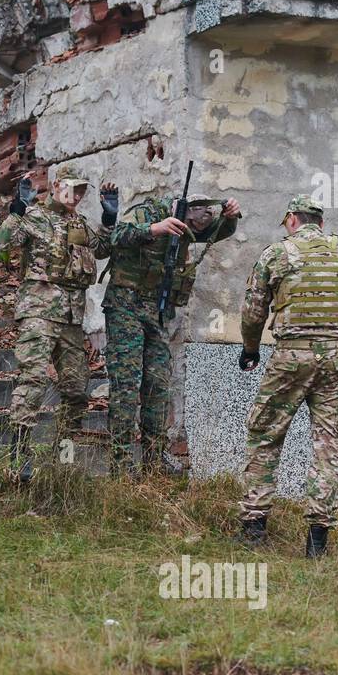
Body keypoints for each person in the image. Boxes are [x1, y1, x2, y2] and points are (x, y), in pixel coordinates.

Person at [236, 196, 338, 557]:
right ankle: (317, 541)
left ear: (291, 220)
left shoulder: (275, 253)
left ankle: (254, 527)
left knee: (265, 433)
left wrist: (251, 349)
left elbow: (253, 312)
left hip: (291, 356)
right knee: (328, 444)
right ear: (320, 220)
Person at [95, 181, 241, 477]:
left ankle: (154, 460)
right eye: (189, 223)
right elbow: (116, 238)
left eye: (194, 227)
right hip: (125, 307)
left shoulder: (190, 227)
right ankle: (121, 465)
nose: (191, 230)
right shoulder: (146, 213)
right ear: (183, 210)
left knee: (158, 385)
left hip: (157, 313)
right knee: (126, 385)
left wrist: (231, 216)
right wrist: (155, 229)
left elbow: (218, 233)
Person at [0, 166, 106, 481]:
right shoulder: (35, 216)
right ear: (56, 186)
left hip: (71, 319)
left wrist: (110, 216)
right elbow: (1, 244)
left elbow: (105, 247)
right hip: (39, 312)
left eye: (83, 190)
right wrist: (17, 208)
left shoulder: (81, 223)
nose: (78, 195)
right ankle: (18, 459)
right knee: (33, 381)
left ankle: (62, 459)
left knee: (76, 389)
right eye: (73, 188)